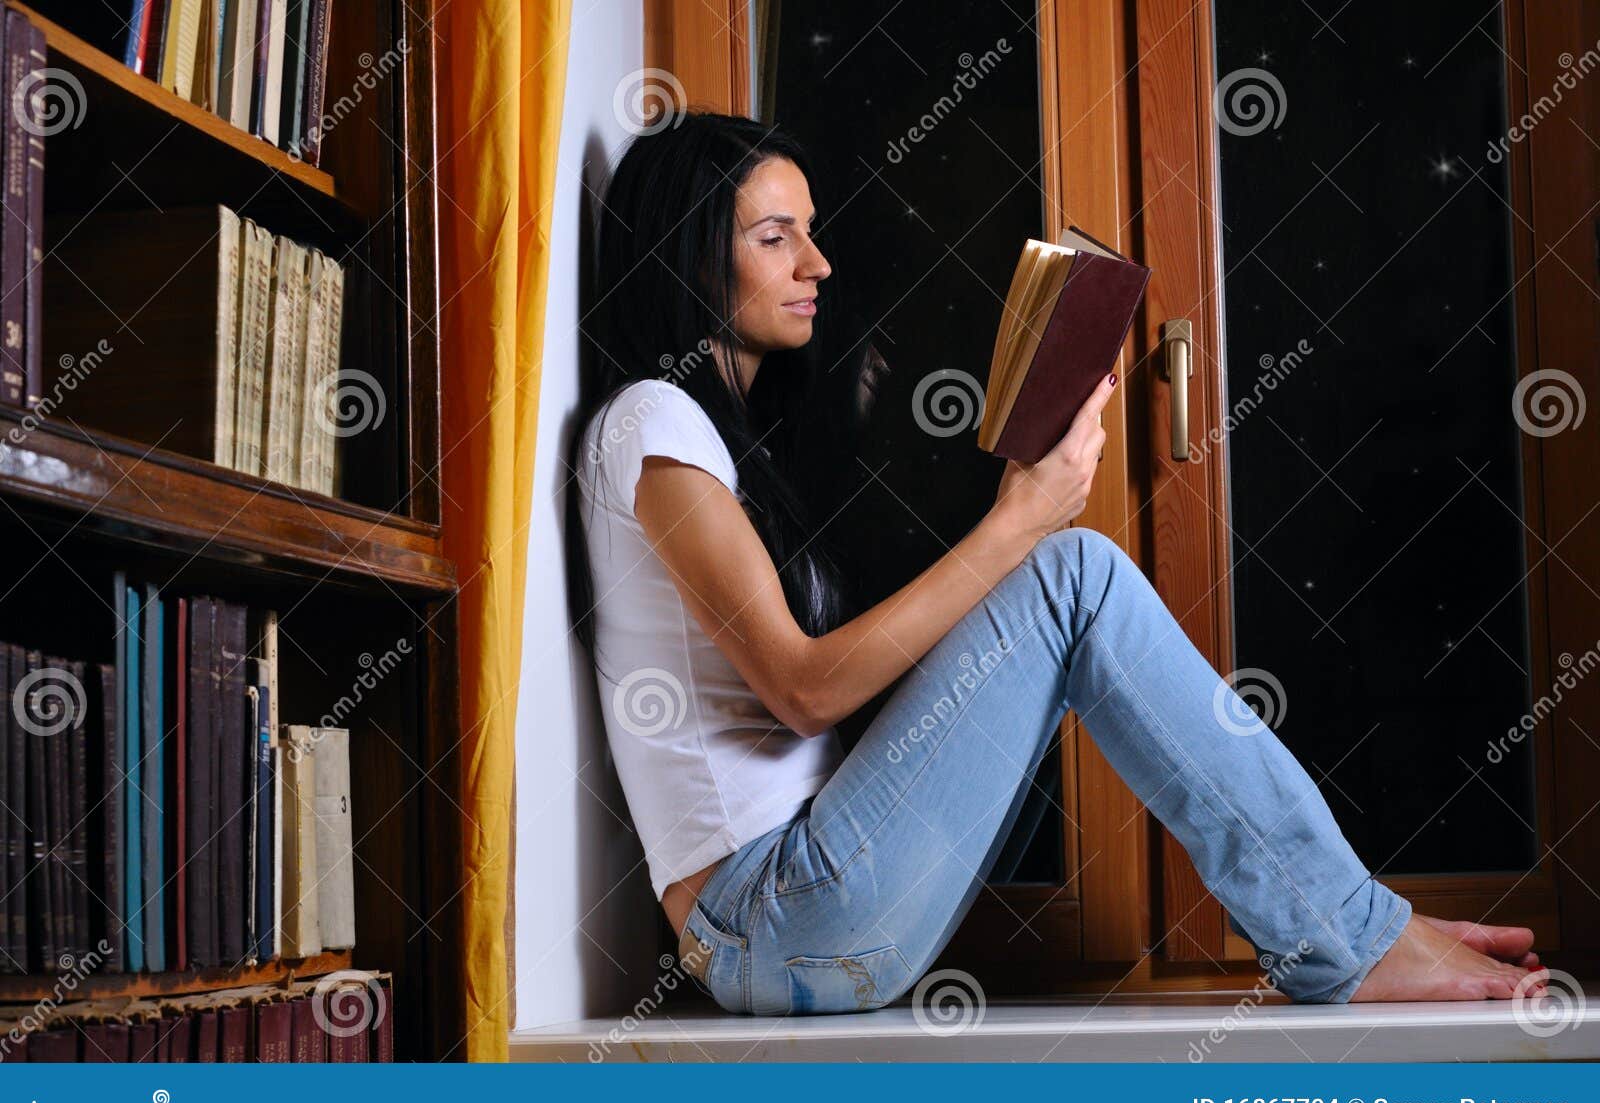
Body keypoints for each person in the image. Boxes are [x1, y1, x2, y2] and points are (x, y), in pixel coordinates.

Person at [566, 111, 1548, 1016]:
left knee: (1064, 576)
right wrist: (1017, 524)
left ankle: (1347, 918)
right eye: (774, 237)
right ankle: (1347, 932)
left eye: (809, 230)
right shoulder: (650, 421)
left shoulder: (718, 441)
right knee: (1072, 572)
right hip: (770, 920)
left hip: (803, 911)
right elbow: (800, 690)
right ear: (687, 256)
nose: (816, 262)